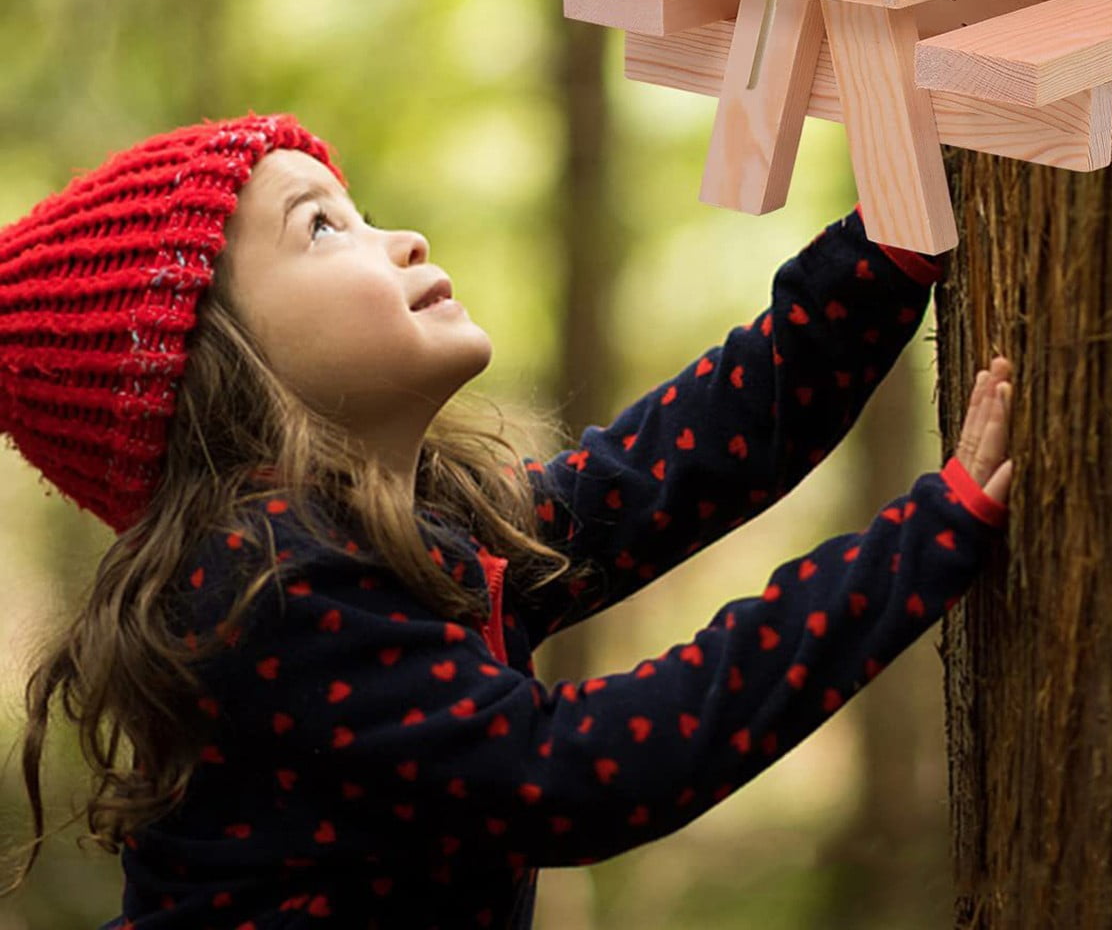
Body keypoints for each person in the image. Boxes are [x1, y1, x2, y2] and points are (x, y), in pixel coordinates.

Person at [0, 111, 1014, 928]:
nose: (400, 237)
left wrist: (880, 260)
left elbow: (673, 467)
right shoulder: (257, 590)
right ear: (218, 374)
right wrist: (917, 546)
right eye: (321, 227)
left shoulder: (410, 522)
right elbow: (576, 769)